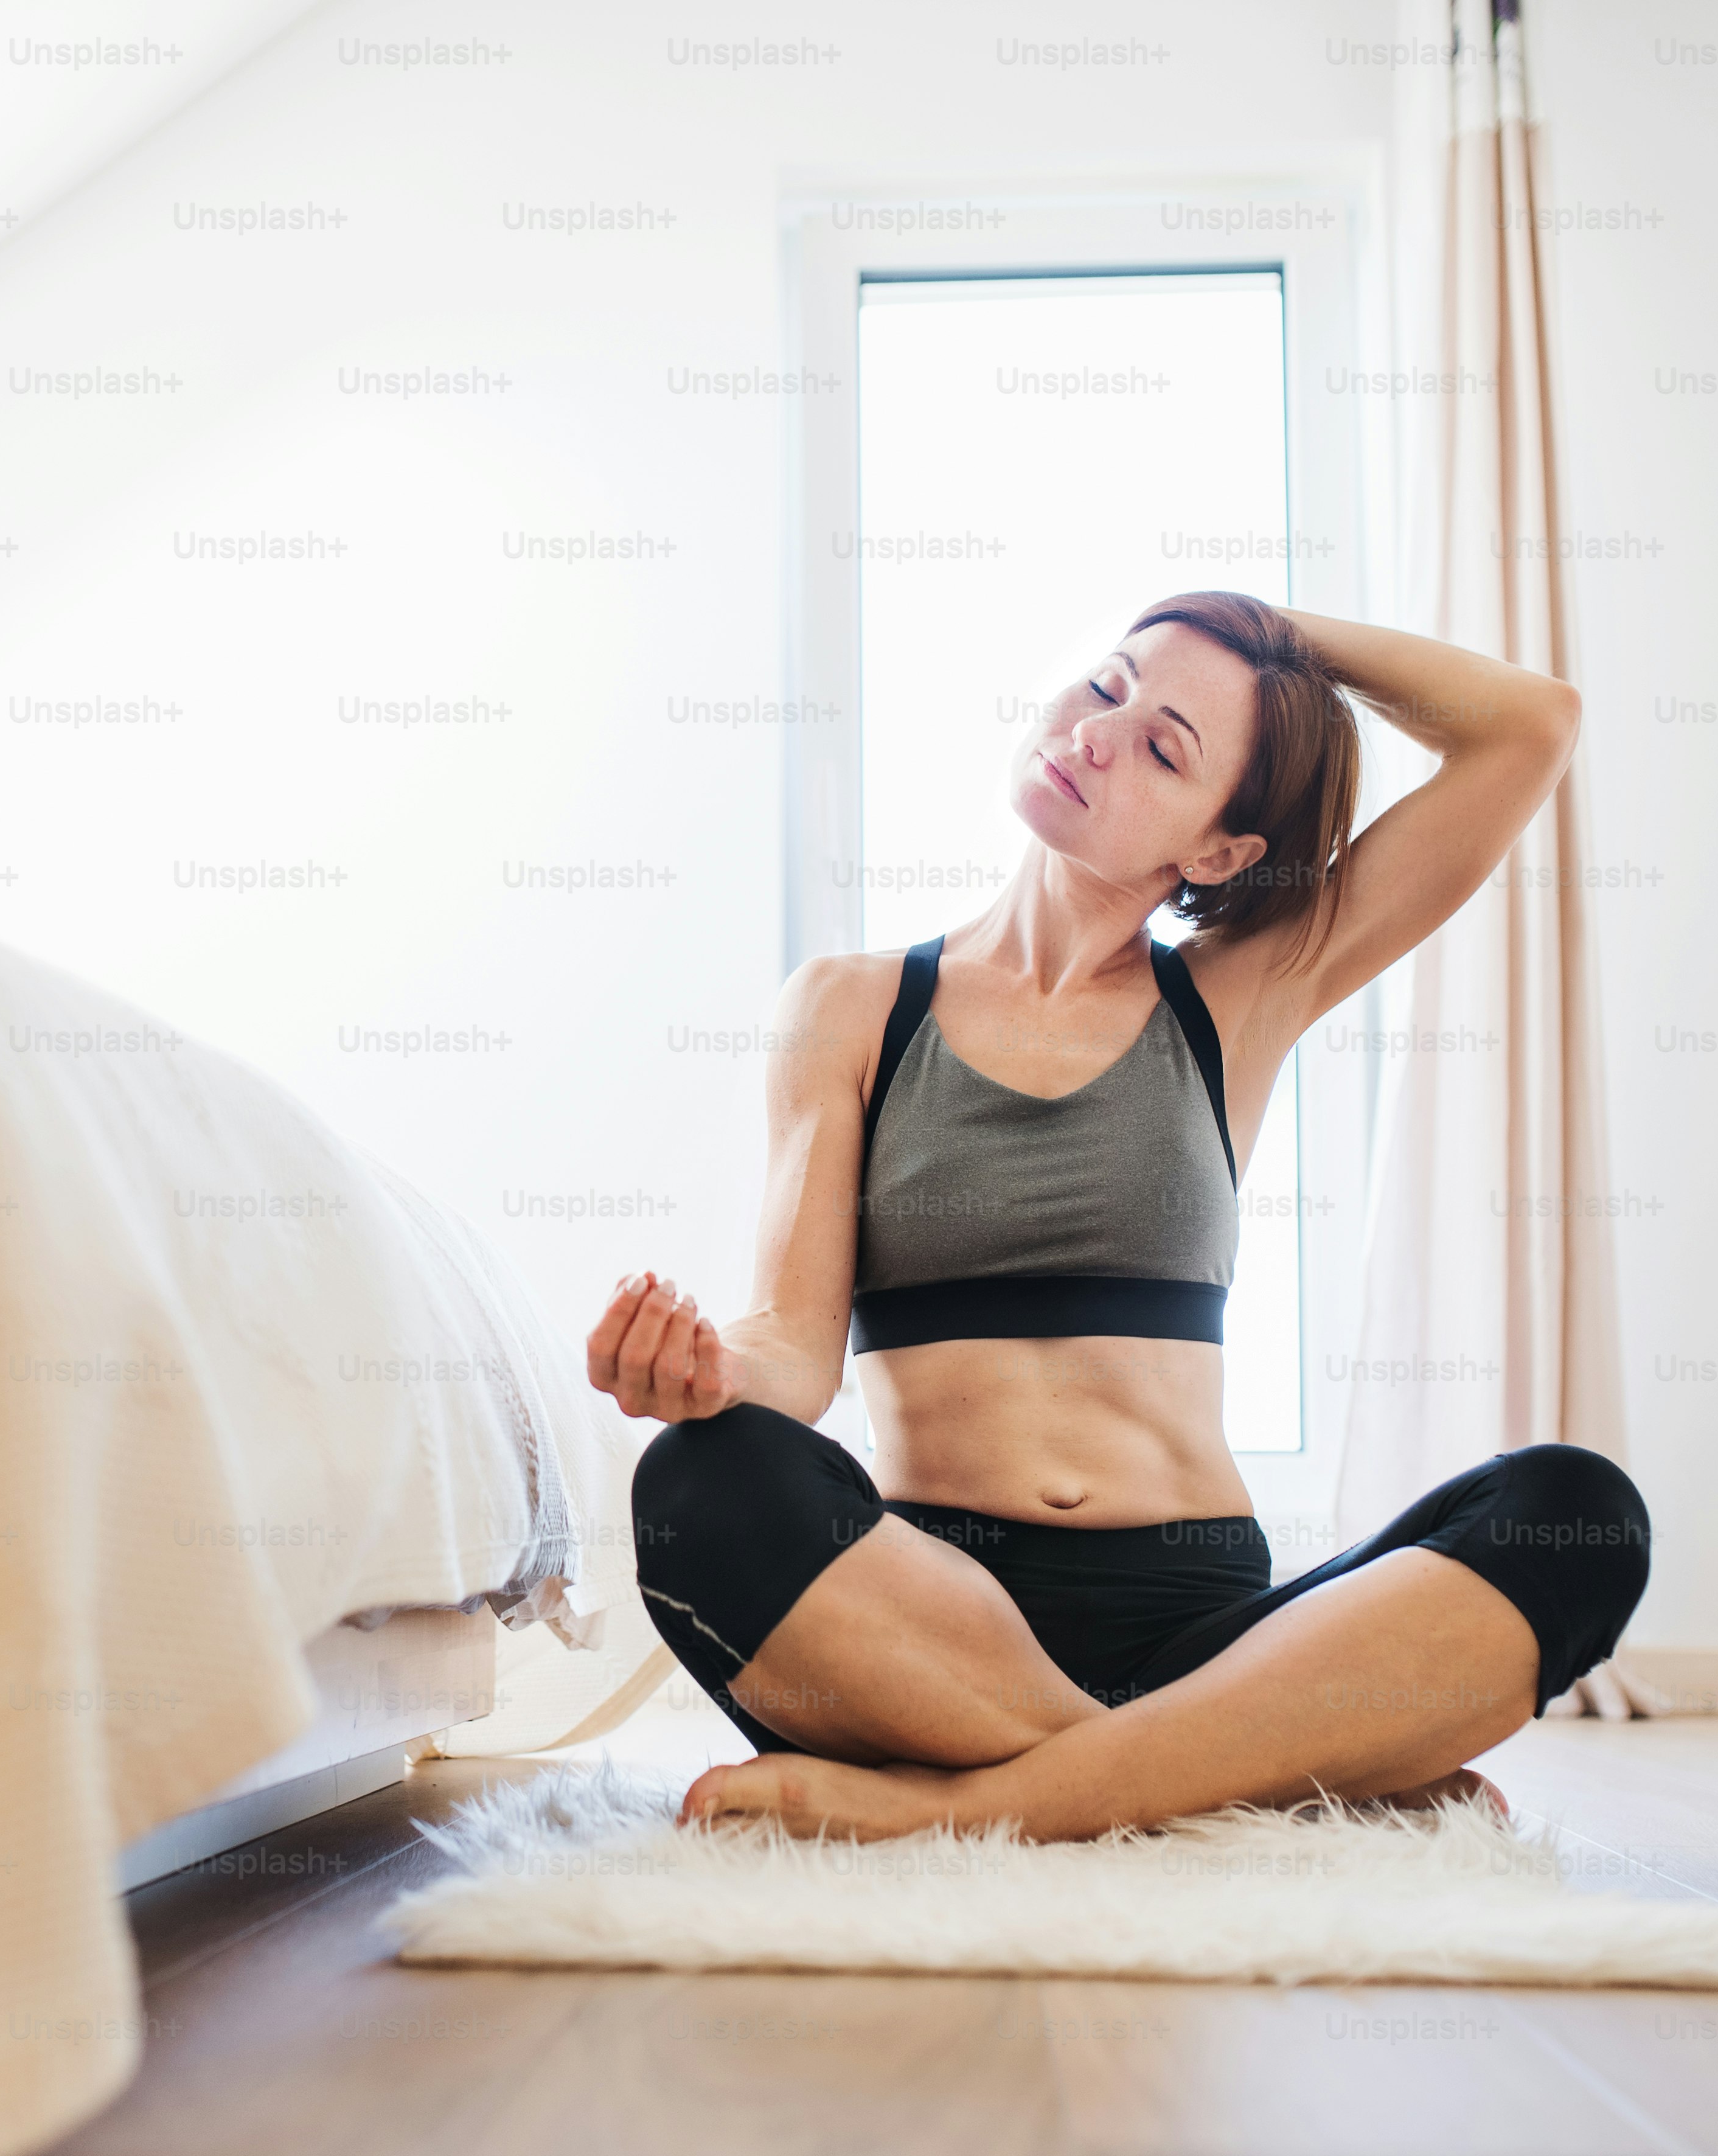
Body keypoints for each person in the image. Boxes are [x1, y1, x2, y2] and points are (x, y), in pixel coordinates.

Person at [588, 592, 1647, 1842]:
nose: (1101, 731)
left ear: (1217, 852)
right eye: (1107, 686)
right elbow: (795, 1349)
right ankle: (1252, 1774)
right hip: (926, 1627)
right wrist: (705, 1376)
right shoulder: (850, 1007)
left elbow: (1531, 725)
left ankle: (970, 1809)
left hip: (1211, 1632)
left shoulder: (1245, 992)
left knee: (1578, 1511)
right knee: (701, 1481)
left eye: (1165, 747)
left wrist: (1272, 630)